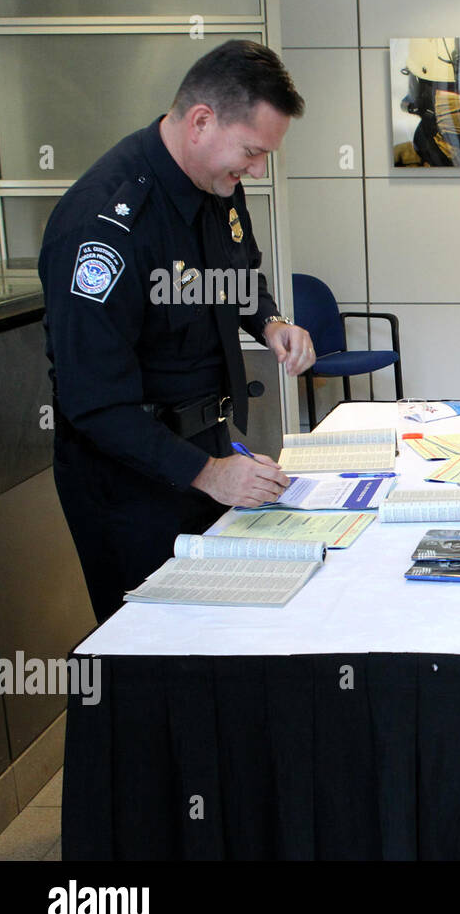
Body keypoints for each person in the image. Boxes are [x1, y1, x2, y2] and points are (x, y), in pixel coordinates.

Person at [40, 39, 315, 625]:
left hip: (205, 450)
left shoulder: (215, 186)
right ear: (200, 121)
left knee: (214, 635)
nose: (256, 170)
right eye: (251, 151)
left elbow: (237, 273)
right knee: (155, 649)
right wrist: (208, 474)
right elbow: (93, 402)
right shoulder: (105, 223)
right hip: (128, 479)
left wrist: (270, 322)